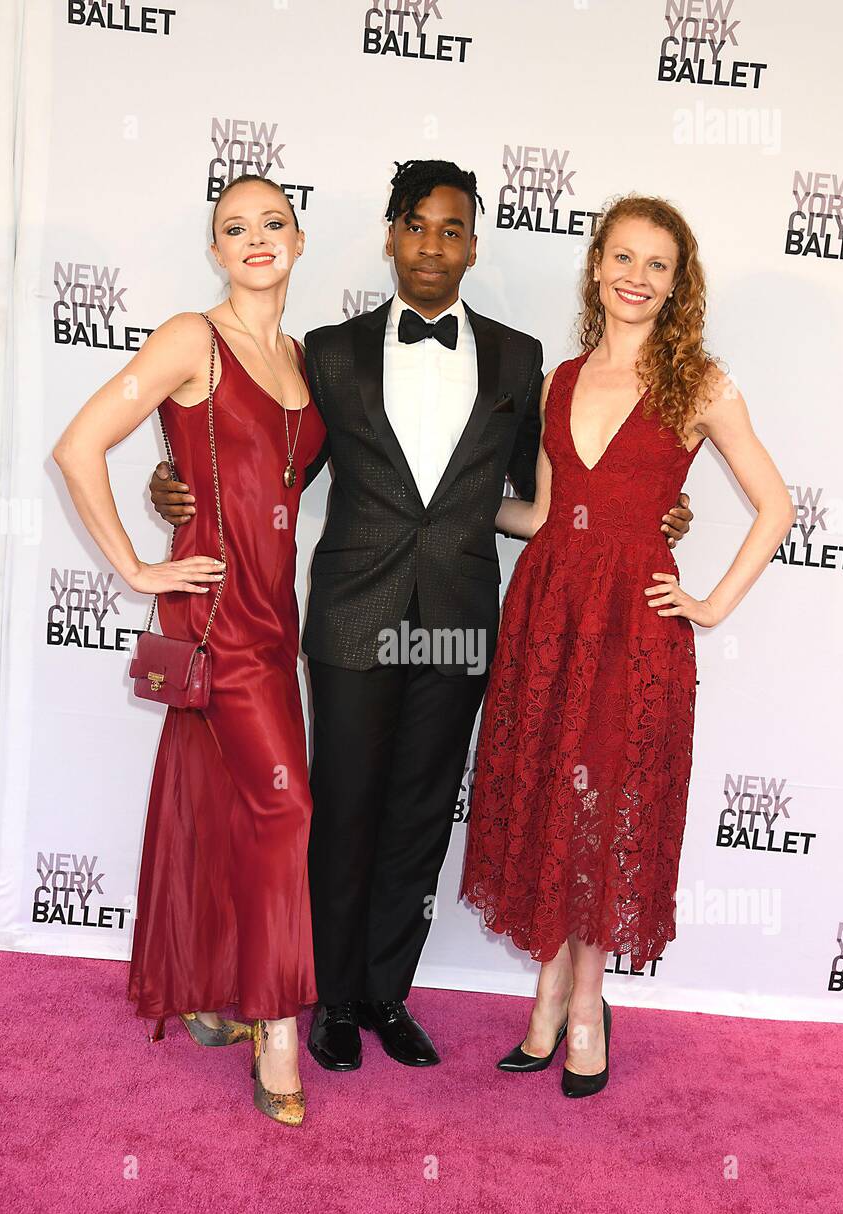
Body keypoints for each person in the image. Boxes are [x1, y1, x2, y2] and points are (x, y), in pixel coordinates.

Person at [150, 160, 693, 1074]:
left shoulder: (524, 362)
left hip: (456, 617)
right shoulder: (327, 351)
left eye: (452, 229)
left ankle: (384, 997)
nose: (433, 244)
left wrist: (656, 511)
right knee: (343, 808)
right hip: (355, 616)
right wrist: (179, 486)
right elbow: (268, 462)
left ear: (474, 245)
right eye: (417, 226)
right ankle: (322, 997)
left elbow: (556, 486)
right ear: (392, 237)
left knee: (415, 814)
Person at [460, 194, 795, 1097]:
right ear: (595, 266)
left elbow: (777, 506)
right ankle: (548, 992)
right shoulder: (558, 381)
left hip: (631, 629)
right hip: (548, 612)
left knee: (604, 812)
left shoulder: (700, 385)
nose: (634, 278)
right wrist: (455, 505)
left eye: (656, 265)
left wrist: (710, 604)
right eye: (621, 258)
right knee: (547, 802)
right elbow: (539, 510)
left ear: (677, 284)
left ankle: (578, 1008)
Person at [53, 174, 327, 1125]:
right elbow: (79, 444)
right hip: (214, 624)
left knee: (235, 810)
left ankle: (218, 993)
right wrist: (135, 565)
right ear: (215, 252)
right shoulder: (189, 338)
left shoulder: (298, 357)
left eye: (272, 223)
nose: (255, 238)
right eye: (233, 228)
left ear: (299, 239)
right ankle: (277, 1030)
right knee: (288, 814)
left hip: (276, 624)